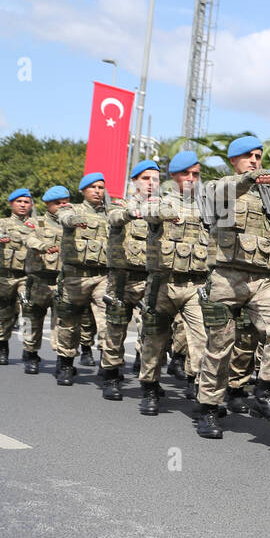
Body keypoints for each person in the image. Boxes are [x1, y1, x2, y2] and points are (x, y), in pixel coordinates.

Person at [194, 135, 270, 438]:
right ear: (233, 161)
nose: (254, 160)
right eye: (248, 156)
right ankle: (209, 407)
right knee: (220, 346)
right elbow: (223, 195)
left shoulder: (266, 197)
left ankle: (265, 389)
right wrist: (248, 179)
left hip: (261, 280)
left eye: (258, 155)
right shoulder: (222, 189)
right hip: (227, 278)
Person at [135, 151, 212, 416]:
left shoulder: (205, 206)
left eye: (196, 174)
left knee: (204, 339)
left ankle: (206, 398)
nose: (191, 179)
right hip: (161, 284)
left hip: (195, 285)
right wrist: (163, 211)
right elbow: (148, 211)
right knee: (154, 339)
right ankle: (150, 388)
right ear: (174, 176)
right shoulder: (160, 200)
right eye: (185, 174)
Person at [98, 160, 158, 401]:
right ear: (134, 181)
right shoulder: (120, 204)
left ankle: (149, 380)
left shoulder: (161, 207)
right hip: (122, 280)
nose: (151, 183)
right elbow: (114, 217)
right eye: (145, 178)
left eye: (155, 178)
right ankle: (111, 375)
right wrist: (131, 211)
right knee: (115, 329)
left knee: (152, 332)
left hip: (151, 280)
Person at [53, 173, 117, 386]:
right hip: (75, 276)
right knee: (69, 323)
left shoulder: (110, 214)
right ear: (83, 191)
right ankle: (65, 363)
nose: (98, 191)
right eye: (92, 187)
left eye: (101, 187)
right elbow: (64, 218)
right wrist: (74, 221)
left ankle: (108, 371)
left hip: (102, 277)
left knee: (109, 323)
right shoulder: (70, 209)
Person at [19, 187, 69, 374]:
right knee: (32, 319)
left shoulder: (71, 224)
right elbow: (28, 239)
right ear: (48, 205)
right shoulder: (35, 222)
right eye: (58, 203)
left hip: (62, 281)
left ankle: (62, 360)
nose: (62, 206)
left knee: (62, 322)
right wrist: (43, 245)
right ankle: (31, 355)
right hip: (38, 279)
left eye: (65, 202)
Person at [0, 188, 35, 365]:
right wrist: (0, 237)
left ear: (31, 205)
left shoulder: (36, 225)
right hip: (5, 277)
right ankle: (2, 348)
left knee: (28, 313)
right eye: (19, 201)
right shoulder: (1, 223)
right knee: (4, 314)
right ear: (11, 203)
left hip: (27, 277)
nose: (23, 205)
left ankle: (29, 350)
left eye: (26, 202)